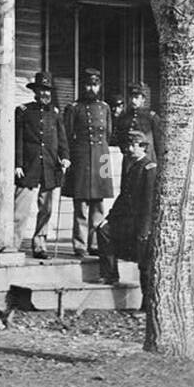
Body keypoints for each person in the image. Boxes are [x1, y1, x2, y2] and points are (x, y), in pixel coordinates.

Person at [14, 71, 70, 259]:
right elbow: (18, 140)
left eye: (48, 91)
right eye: (42, 90)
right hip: (28, 167)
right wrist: (18, 164)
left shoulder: (55, 114)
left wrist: (65, 157)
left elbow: (62, 139)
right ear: (35, 91)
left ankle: (39, 244)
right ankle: (12, 244)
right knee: (20, 209)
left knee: (46, 209)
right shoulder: (23, 111)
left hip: (49, 166)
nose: (45, 94)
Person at [96, 130, 158, 286]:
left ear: (143, 147)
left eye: (133, 146)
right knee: (104, 231)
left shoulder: (149, 169)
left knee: (145, 264)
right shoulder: (133, 166)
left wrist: (144, 230)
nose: (129, 149)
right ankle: (110, 274)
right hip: (126, 221)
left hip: (140, 224)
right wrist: (108, 219)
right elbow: (124, 197)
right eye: (128, 145)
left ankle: (146, 303)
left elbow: (148, 203)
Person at [64, 67, 114, 257]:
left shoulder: (105, 108)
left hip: (102, 157)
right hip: (82, 157)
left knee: (98, 204)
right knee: (82, 204)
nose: (91, 88)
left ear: (99, 86)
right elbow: (68, 136)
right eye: (88, 85)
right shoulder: (74, 108)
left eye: (95, 84)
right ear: (82, 86)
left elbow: (108, 133)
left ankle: (95, 243)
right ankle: (80, 244)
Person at [114, 81, 159, 177]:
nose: (133, 101)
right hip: (129, 159)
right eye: (131, 97)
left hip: (147, 158)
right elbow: (120, 138)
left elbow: (158, 142)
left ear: (143, 99)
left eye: (136, 98)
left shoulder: (151, 117)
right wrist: (127, 150)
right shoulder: (124, 118)